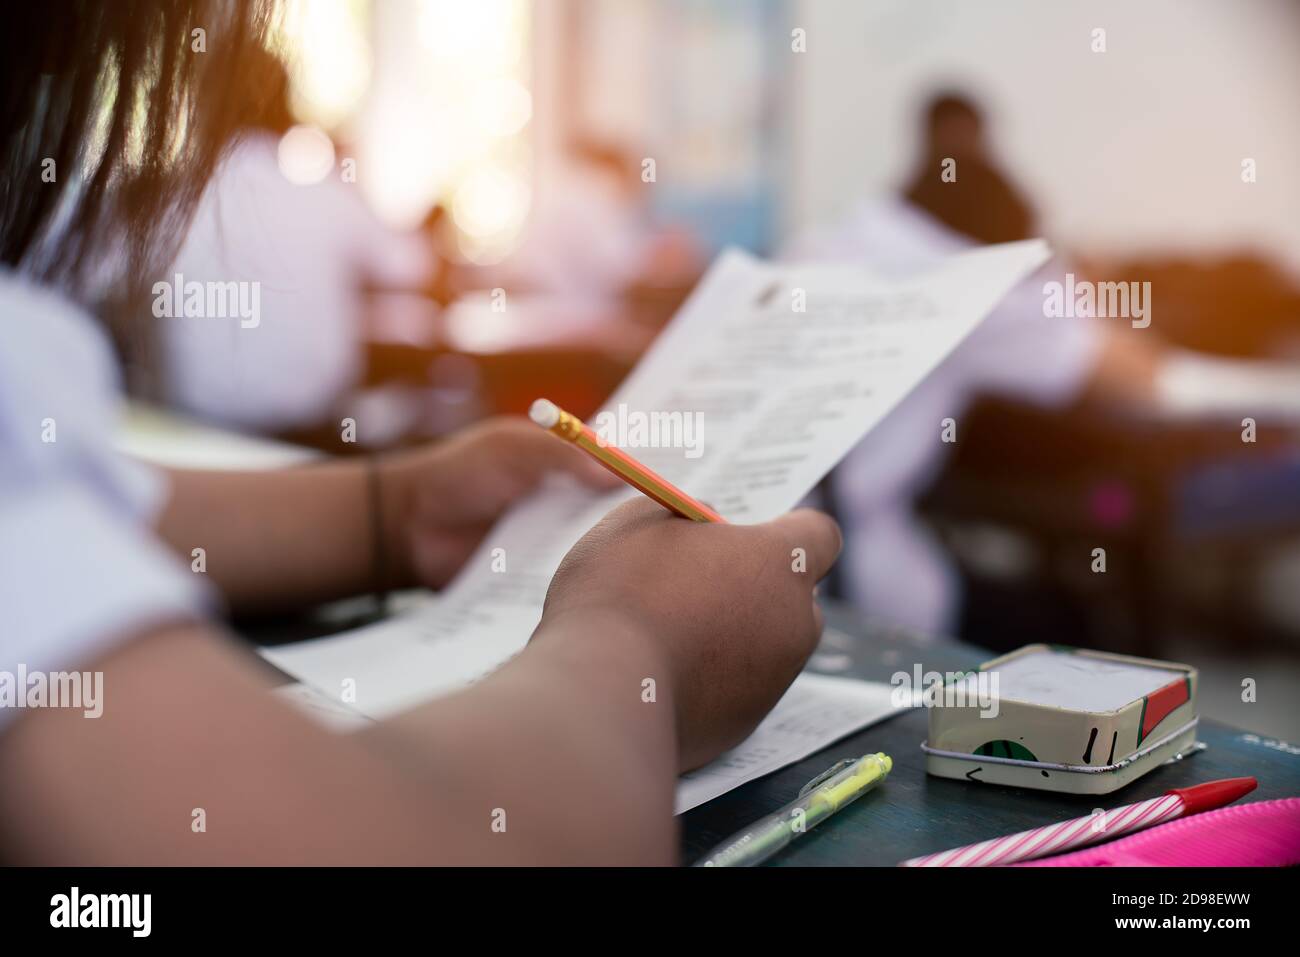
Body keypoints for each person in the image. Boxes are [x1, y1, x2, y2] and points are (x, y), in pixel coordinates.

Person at [0, 1, 839, 865]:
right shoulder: (314, 186)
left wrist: (392, 511)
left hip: (219, 424)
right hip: (321, 422)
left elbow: (69, 491)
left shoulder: (170, 191)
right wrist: (639, 645)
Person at [784, 93, 1157, 636]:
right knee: (1066, 617)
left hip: (736, 538)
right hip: (843, 573)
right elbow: (1136, 376)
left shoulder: (819, 245)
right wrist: (1063, 275)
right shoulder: (969, 281)